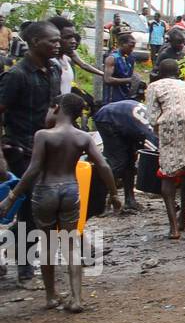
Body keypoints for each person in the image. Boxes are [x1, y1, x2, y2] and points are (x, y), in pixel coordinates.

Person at [0, 94, 119, 311]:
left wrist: (11, 197)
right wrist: (114, 194)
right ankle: (76, 299)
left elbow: (33, 169)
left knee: (47, 244)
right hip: (70, 191)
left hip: (45, 191)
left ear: (55, 108)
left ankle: (51, 297)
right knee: (71, 244)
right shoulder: (83, 137)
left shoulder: (43, 135)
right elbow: (103, 166)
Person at [0, 20, 63, 282]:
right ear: (35, 42)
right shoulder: (16, 76)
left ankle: (15, 254)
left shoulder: (54, 70)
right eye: (53, 40)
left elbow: (54, 107)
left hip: (46, 147)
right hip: (19, 149)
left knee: (39, 208)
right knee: (30, 207)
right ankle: (24, 267)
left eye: (59, 39)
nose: (58, 45)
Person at [145, 59, 185, 239]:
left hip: (173, 124)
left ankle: (173, 228)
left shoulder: (155, 86)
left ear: (159, 72)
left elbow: (151, 117)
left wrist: (161, 136)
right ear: (178, 73)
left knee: (169, 173)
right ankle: (184, 218)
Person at [91, 90, 155, 213]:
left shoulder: (155, 131)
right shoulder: (154, 137)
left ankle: (130, 200)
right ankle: (97, 202)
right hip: (109, 118)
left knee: (130, 161)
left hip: (125, 120)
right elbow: (153, 159)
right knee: (118, 162)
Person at [102, 32, 137, 104]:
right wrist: (129, 80)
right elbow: (107, 79)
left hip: (125, 95)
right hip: (112, 98)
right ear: (122, 44)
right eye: (130, 46)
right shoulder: (112, 58)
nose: (132, 49)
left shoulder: (130, 58)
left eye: (133, 47)